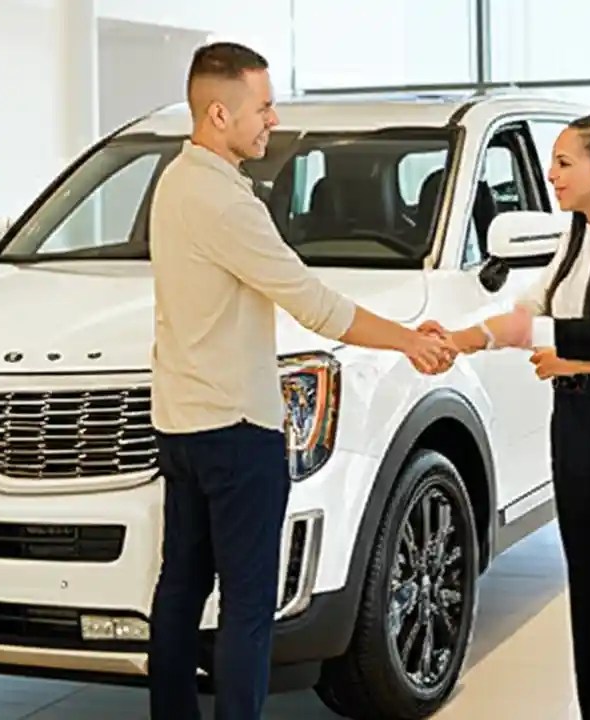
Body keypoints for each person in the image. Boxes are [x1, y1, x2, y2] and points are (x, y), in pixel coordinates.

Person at [146, 42, 456, 720]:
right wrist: (407, 338)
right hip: (234, 429)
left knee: (180, 588)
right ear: (219, 112)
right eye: (262, 107)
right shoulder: (227, 204)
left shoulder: (174, 181)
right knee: (250, 604)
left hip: (180, 424)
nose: (273, 120)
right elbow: (313, 303)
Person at [423, 113, 590, 720]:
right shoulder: (576, 235)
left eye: (563, 163)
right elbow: (526, 312)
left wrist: (570, 358)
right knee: (587, 586)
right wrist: (453, 337)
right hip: (577, 428)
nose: (550, 175)